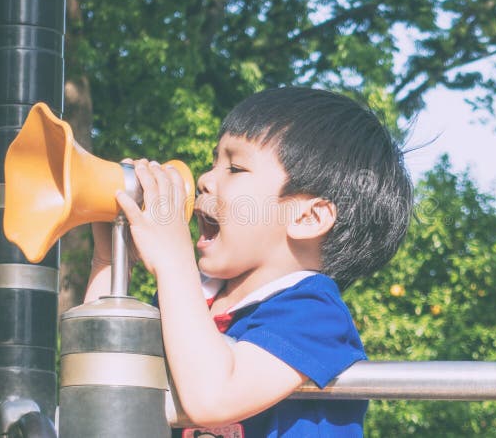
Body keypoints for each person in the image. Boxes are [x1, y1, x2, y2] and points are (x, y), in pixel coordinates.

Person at [84, 87, 413, 437]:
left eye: (235, 168)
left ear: (308, 218)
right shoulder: (190, 300)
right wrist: (111, 259)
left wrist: (173, 260)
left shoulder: (315, 315)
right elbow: (97, 374)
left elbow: (213, 399)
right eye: (213, 163)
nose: (205, 179)